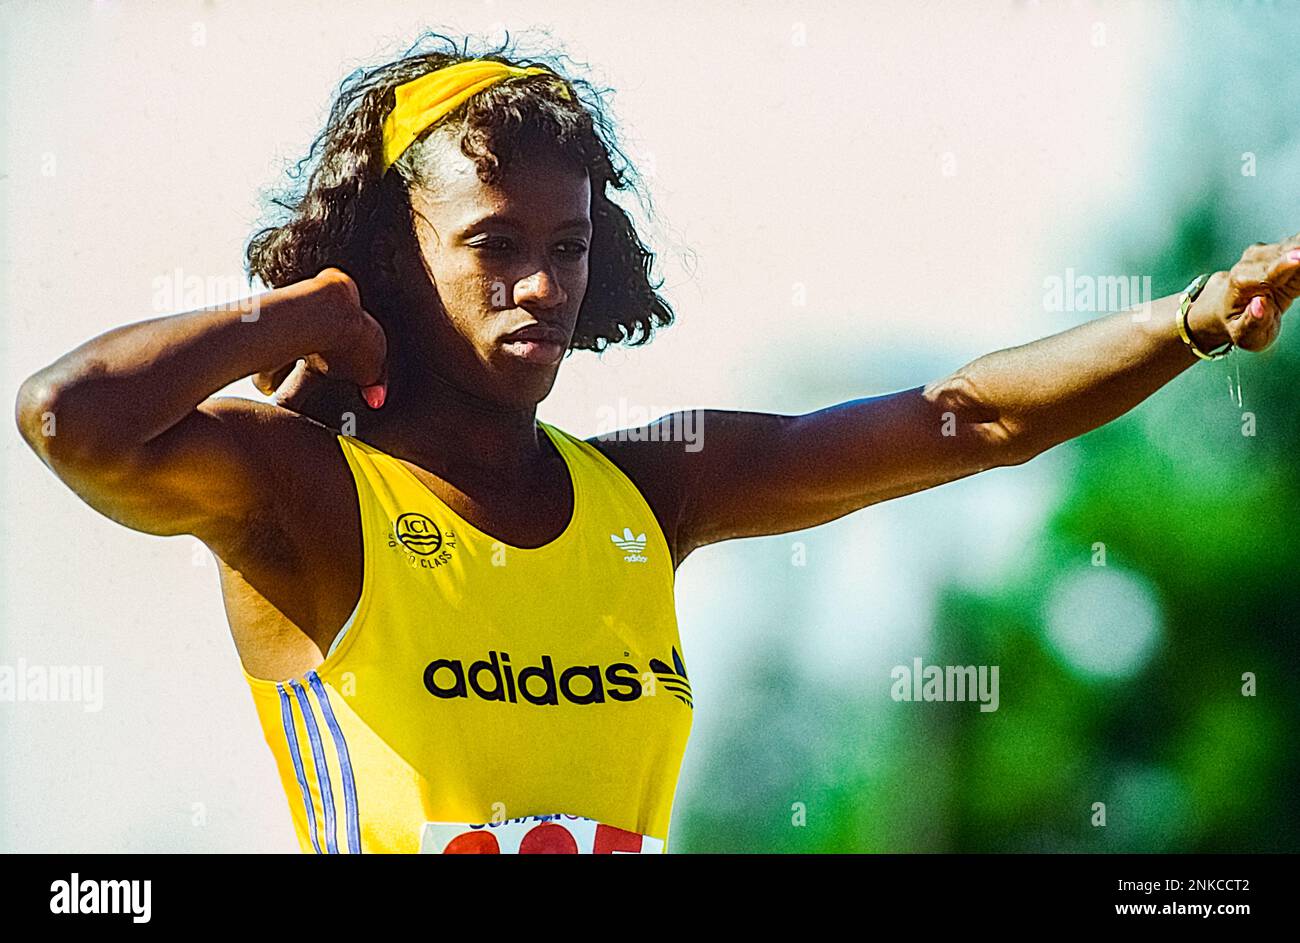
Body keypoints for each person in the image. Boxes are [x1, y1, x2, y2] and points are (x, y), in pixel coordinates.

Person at [14, 38, 1300, 854]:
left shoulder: (648, 488)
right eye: (494, 246)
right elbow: (70, 419)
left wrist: (1192, 320)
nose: (540, 287)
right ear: (395, 257)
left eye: (565, 248)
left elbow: (966, 421)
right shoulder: (304, 494)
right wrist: (298, 314)